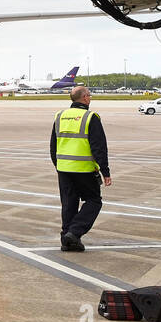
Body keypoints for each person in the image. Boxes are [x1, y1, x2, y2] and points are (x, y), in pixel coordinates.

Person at [49, 85, 112, 252]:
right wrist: (105, 172)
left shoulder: (60, 116)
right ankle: (74, 232)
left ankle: (67, 240)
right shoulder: (90, 117)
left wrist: (59, 165)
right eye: (89, 96)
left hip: (64, 169)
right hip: (84, 169)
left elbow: (53, 145)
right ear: (84, 98)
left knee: (69, 204)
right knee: (93, 201)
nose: (90, 98)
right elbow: (99, 147)